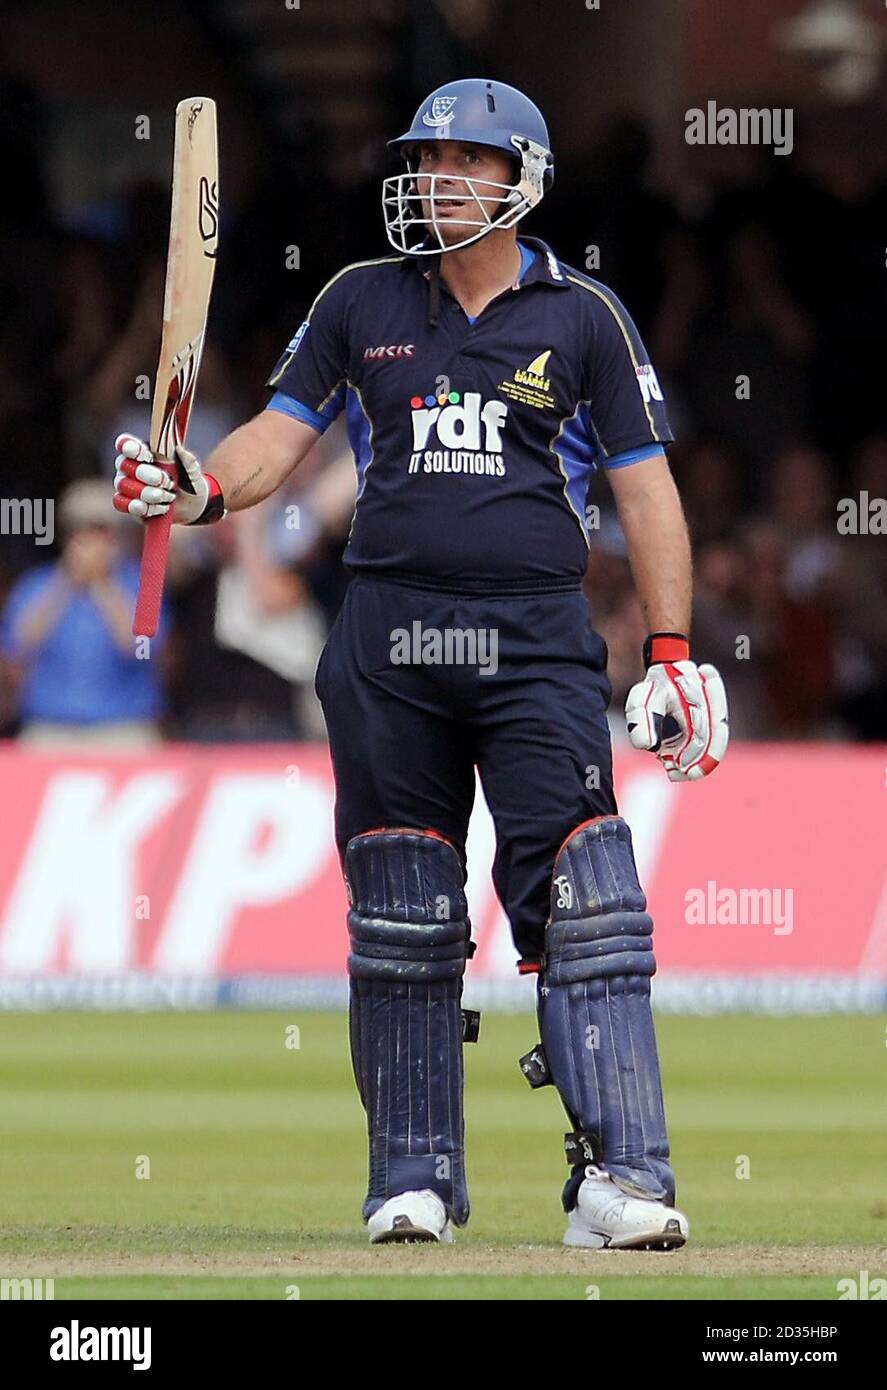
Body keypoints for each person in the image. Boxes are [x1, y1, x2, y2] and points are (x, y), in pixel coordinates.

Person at [114, 79, 728, 1250]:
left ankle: (620, 1178)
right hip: (388, 638)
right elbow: (273, 444)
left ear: (520, 181)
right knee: (401, 911)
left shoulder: (582, 314)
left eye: (463, 161)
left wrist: (667, 652)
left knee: (586, 901)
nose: (436, 178)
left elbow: (647, 492)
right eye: (425, 157)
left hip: (537, 636)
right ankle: (413, 1178)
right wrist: (193, 486)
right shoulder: (360, 300)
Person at [2, 479, 166, 746]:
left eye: (98, 531)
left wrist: (102, 585)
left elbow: (140, 649)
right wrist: (65, 583)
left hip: (124, 728)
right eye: (78, 530)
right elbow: (19, 647)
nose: (87, 541)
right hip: (49, 727)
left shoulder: (141, 585)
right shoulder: (37, 584)